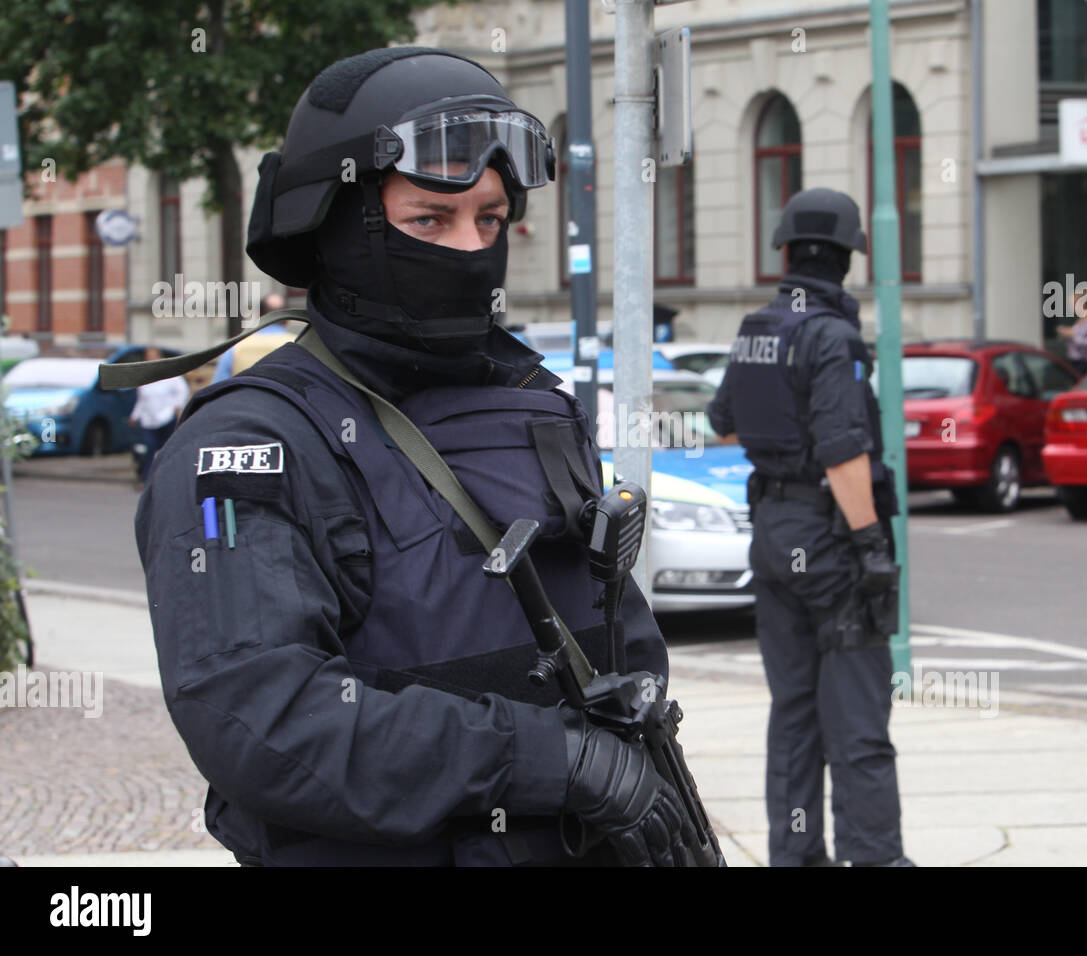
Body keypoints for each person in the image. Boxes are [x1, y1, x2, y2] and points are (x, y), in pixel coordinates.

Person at [131, 47, 694, 866]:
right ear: (335, 222)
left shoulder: (536, 404)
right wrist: (550, 760)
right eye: (431, 220)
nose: (470, 249)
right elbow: (258, 716)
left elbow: (619, 643)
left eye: (490, 220)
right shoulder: (250, 444)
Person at [708, 188, 912, 867]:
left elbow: (726, 422)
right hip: (829, 538)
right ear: (847, 260)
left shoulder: (756, 330)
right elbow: (845, 451)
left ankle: (795, 855)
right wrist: (871, 547)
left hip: (772, 530)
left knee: (793, 714)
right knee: (857, 722)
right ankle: (876, 858)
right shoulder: (833, 337)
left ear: (788, 252)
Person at [127, 347, 188, 490]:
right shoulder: (145, 377)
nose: (152, 359)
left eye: (154, 356)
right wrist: (134, 415)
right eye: (149, 356)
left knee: (168, 449)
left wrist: (177, 406)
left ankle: (169, 477)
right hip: (149, 419)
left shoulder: (169, 375)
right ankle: (146, 479)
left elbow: (182, 391)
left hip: (166, 417)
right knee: (149, 449)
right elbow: (142, 400)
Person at [209, 292, 290, 383]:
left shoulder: (236, 348)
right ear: (288, 319)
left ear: (258, 316)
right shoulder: (299, 345)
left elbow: (218, 386)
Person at [1058, 288, 1087, 377]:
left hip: (1085, 363)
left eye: (1073, 303)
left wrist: (1073, 335)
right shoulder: (1080, 319)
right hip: (1074, 361)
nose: (1071, 306)